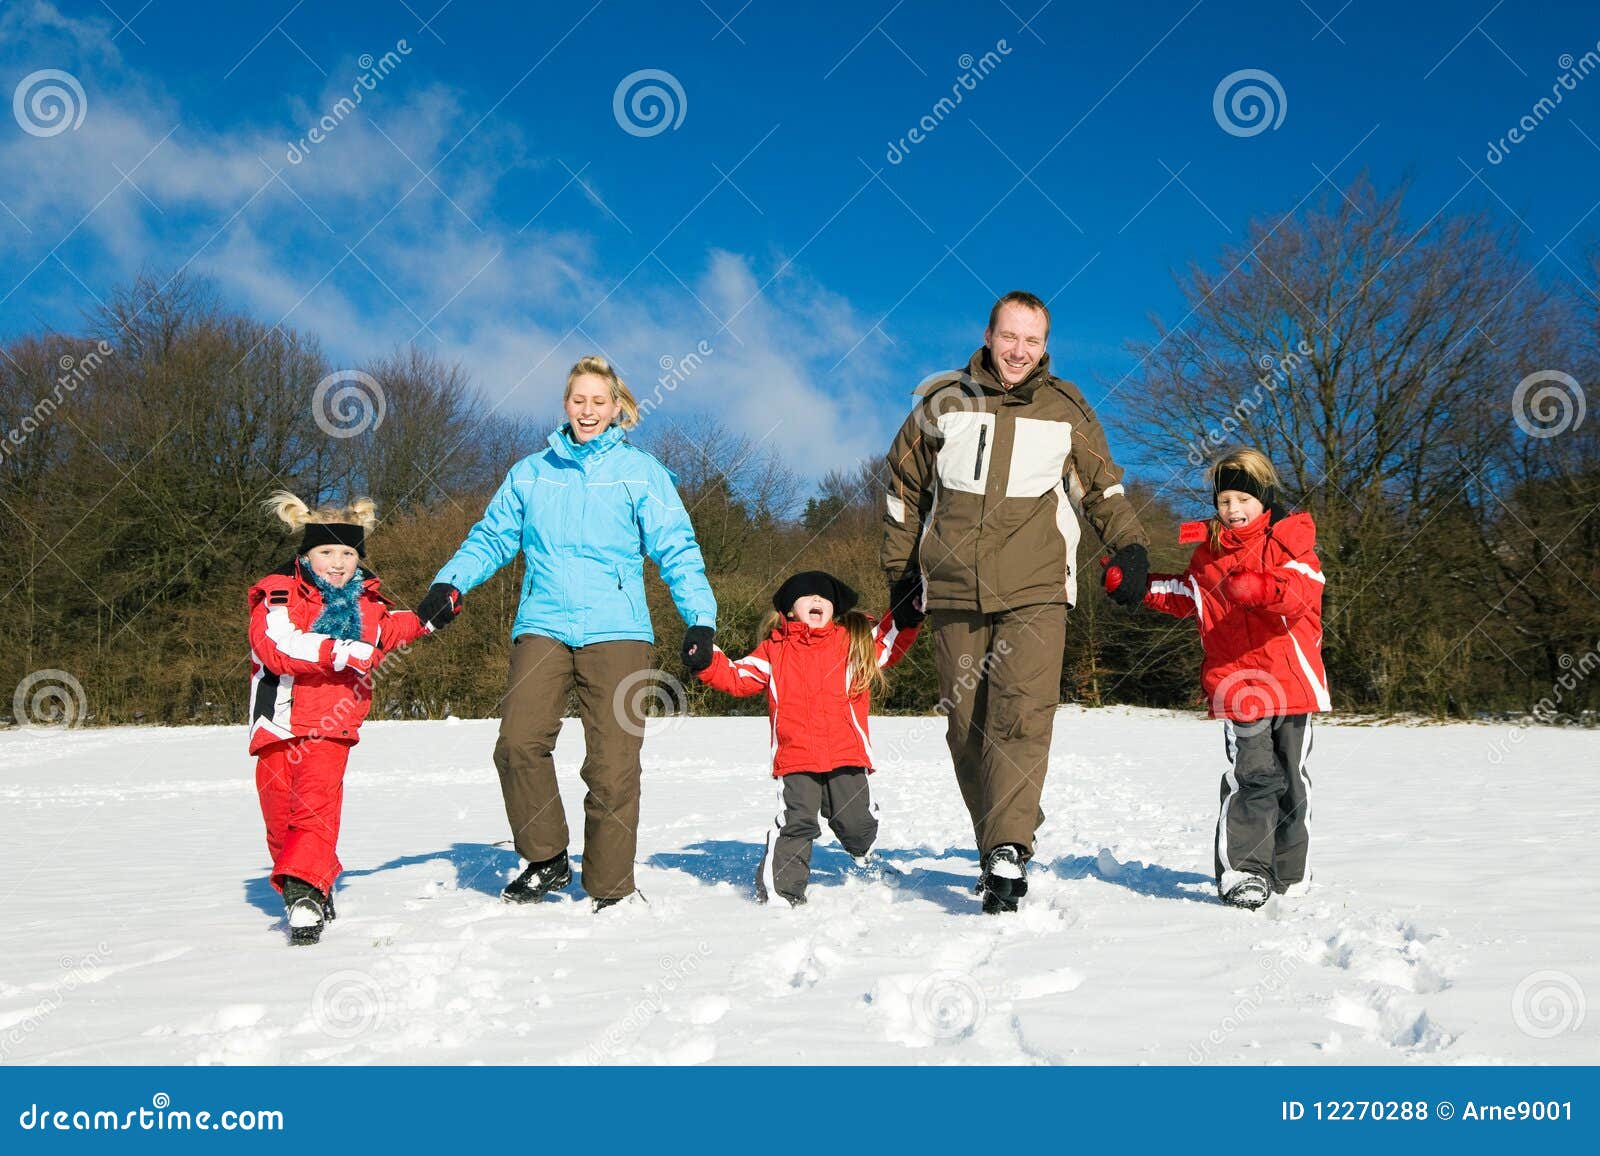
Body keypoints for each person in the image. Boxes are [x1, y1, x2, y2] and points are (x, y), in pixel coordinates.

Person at [881, 290, 1150, 913]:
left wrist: (1128, 548)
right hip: (951, 588)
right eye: (1010, 338)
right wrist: (900, 576)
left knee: (1022, 715)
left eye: (1032, 341)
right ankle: (1003, 830)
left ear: (1045, 346)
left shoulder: (1065, 408)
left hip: (1036, 587)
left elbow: (1101, 489)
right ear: (988, 335)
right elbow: (901, 490)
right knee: (966, 727)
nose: (1019, 352)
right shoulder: (942, 402)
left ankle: (1009, 847)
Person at [417, 356, 716, 912]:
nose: (588, 410)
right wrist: (450, 582)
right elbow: (492, 536)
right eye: (579, 399)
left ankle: (609, 886)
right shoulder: (531, 472)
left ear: (617, 407)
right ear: (565, 404)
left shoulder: (641, 472)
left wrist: (700, 617)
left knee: (613, 763)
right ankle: (547, 856)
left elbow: (676, 548)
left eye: (599, 401)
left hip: (619, 630)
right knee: (517, 744)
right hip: (544, 623)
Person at [1108, 446, 1329, 909]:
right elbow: (1186, 595)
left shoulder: (1291, 541)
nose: (1233, 510)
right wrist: (1137, 587)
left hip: (1292, 682)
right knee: (1253, 776)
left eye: (1244, 500)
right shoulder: (1208, 555)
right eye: (1225, 501)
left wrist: (1264, 589)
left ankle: (1289, 872)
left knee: (1291, 778)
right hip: (1238, 684)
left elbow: (1303, 590)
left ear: (1264, 499)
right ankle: (1246, 872)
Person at [247, 492, 433, 945]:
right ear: (306, 554)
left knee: (315, 810)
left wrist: (431, 615)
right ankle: (308, 884)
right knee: (279, 818)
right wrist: (338, 650)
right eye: (327, 552)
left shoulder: (369, 605)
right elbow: (277, 645)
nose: (337, 563)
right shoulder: (278, 593)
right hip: (279, 725)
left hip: (332, 726)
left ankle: (304, 891)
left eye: (348, 553)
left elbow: (392, 629)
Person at [687, 571, 919, 906]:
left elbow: (889, 641)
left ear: (833, 608)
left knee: (855, 825)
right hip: (796, 757)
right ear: (790, 610)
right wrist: (707, 660)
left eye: (824, 597)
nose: (817, 601)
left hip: (846, 754)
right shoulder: (773, 650)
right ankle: (783, 893)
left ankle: (863, 847)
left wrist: (907, 613)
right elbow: (738, 677)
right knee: (796, 823)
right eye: (808, 596)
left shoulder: (853, 643)